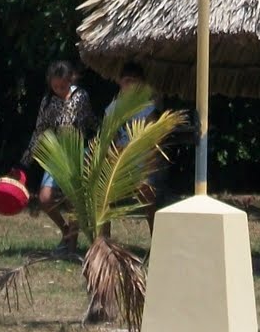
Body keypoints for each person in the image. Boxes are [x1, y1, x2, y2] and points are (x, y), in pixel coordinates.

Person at [22, 59, 97, 257]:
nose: (59, 90)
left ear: (71, 79)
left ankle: (71, 248)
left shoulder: (81, 97)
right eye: (55, 87)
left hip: (77, 153)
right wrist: (25, 161)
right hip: (56, 154)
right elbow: (40, 130)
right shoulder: (48, 101)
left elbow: (88, 121)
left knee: (74, 200)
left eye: (62, 87)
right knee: (45, 198)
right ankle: (66, 232)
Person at [111, 59, 162, 234]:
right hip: (120, 162)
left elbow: (154, 142)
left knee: (145, 191)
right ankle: (103, 240)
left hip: (143, 162)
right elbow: (110, 140)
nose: (130, 86)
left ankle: (156, 235)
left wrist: (147, 169)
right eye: (127, 81)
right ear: (120, 82)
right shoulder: (113, 109)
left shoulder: (147, 109)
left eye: (134, 82)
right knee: (102, 191)